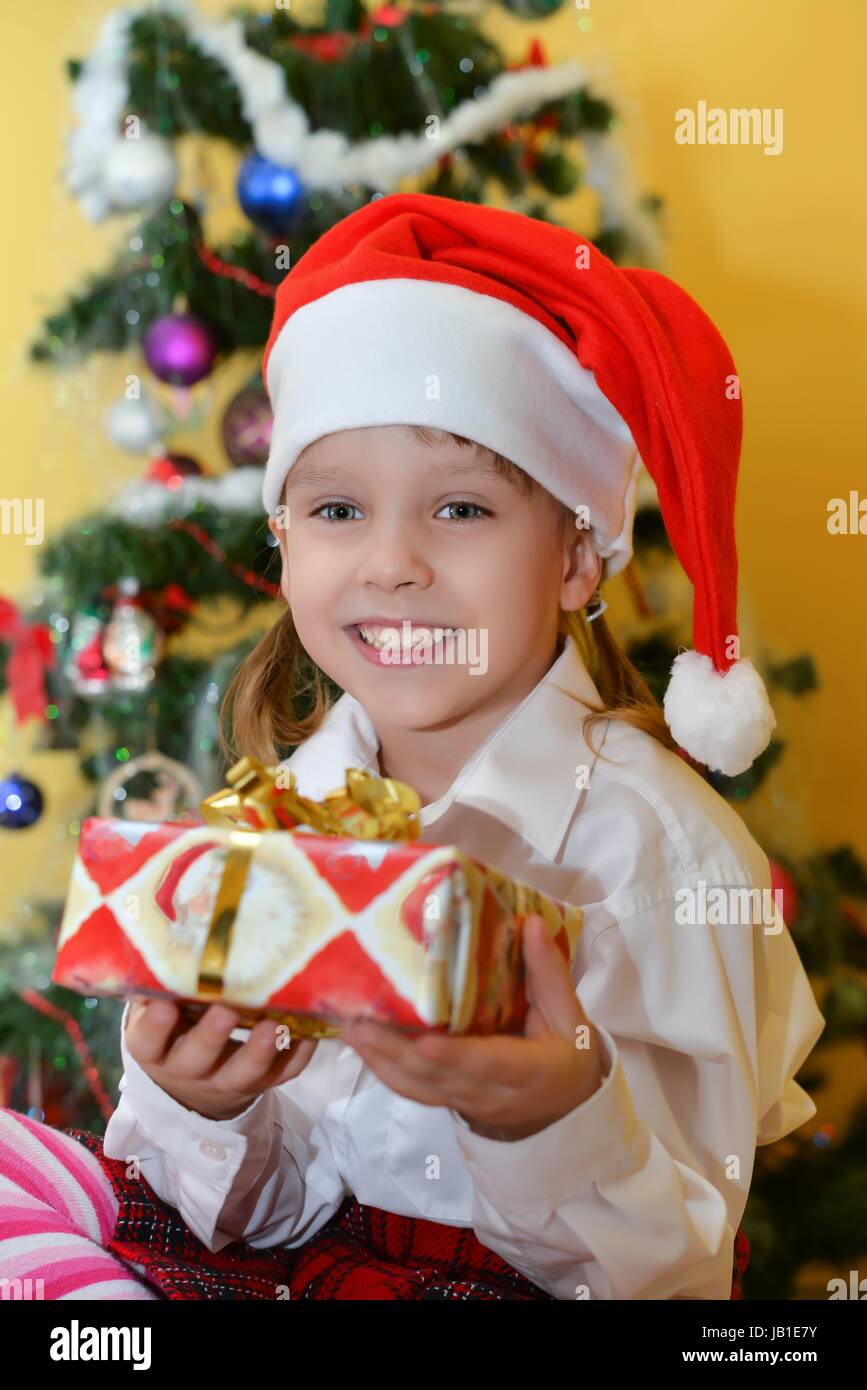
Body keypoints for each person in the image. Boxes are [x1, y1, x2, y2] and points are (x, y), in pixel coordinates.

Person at [0, 193, 823, 1300]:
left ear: (576, 558)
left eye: (461, 510)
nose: (390, 564)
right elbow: (265, 1214)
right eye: (337, 511)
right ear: (284, 541)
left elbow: (673, 1275)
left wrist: (549, 1117)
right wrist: (207, 1105)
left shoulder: (657, 854)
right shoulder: (287, 819)